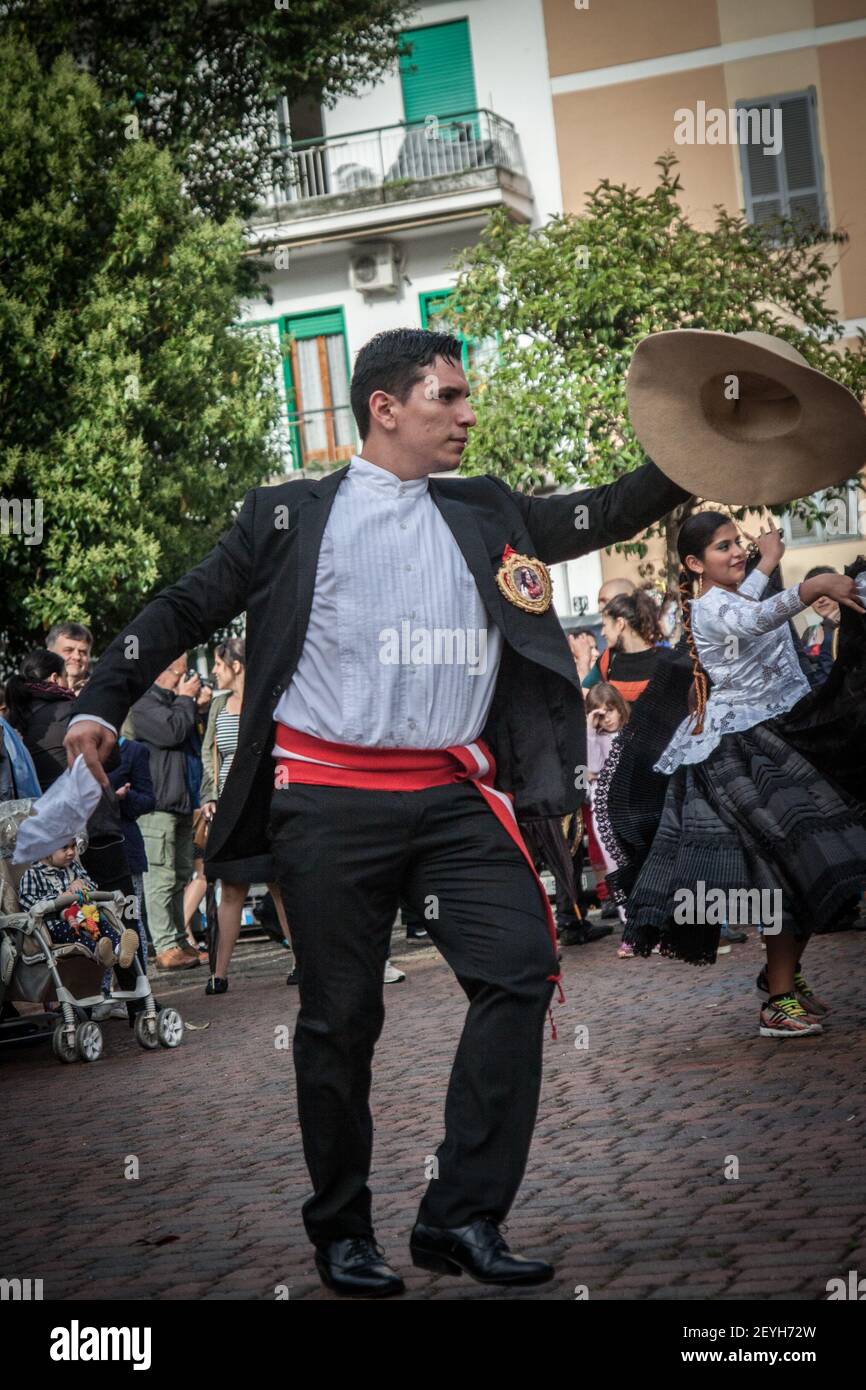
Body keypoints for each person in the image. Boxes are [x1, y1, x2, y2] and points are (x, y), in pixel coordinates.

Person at [65, 326, 689, 1297]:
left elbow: (601, 509)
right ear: (383, 407)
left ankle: (461, 1215)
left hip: (453, 797)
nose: (467, 413)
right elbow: (185, 606)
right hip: (326, 801)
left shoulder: (483, 507)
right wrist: (99, 702)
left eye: (465, 395)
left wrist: (706, 443)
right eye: (447, 396)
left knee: (520, 974)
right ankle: (341, 1231)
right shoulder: (286, 514)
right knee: (339, 1019)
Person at [612, 511, 866, 1037]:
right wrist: (812, 584)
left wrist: (769, 559)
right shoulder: (707, 609)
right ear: (692, 563)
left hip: (775, 736)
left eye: (738, 543)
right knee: (784, 872)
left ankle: (783, 980)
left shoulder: (729, 594)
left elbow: (749, 601)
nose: (736, 552)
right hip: (737, 754)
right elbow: (752, 619)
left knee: (810, 863)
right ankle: (776, 999)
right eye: (724, 547)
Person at [198, 637, 294, 993]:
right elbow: (211, 756)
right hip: (228, 809)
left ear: (235, 665)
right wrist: (209, 795)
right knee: (231, 888)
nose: (215, 673)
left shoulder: (268, 701)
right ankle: (218, 974)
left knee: (280, 885)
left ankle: (300, 963)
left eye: (218, 666)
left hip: (266, 807)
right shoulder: (218, 707)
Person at [129, 658, 203, 971]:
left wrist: (189, 704)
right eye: (180, 672)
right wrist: (187, 699)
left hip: (182, 804)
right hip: (157, 807)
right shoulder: (142, 705)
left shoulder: (175, 704)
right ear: (161, 672)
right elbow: (171, 732)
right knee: (160, 877)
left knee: (180, 876)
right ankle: (164, 945)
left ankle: (178, 939)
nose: (186, 677)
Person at [17, 838, 139, 970]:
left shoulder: (73, 867)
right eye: (64, 848)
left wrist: (82, 883)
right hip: (56, 925)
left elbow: (93, 886)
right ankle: (100, 952)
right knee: (75, 935)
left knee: (101, 921)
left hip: (84, 915)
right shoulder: (32, 875)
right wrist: (58, 898)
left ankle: (118, 947)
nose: (71, 852)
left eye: (73, 846)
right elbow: (28, 903)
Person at [582, 589, 668, 698]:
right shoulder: (607, 660)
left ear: (619, 624)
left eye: (605, 625)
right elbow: (585, 693)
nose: (602, 633)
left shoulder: (666, 662)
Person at [46, 621, 93, 695]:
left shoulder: (99, 692)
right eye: (68, 650)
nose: (77, 657)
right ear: (50, 653)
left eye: (83, 652)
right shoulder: (32, 693)